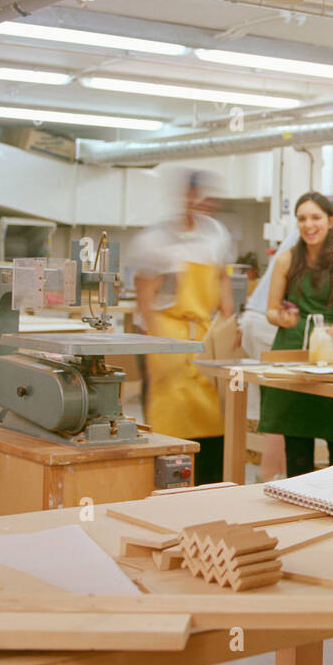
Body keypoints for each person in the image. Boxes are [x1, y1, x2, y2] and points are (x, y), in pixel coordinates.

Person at [130, 169, 234, 484]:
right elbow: (145, 297)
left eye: (204, 198)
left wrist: (228, 326)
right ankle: (165, 486)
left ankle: (209, 486)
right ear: (182, 197)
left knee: (211, 416)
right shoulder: (156, 240)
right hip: (167, 337)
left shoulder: (216, 235)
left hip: (204, 337)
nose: (198, 203)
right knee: (170, 418)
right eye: (192, 197)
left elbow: (222, 282)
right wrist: (157, 345)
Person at [257, 192, 333, 477]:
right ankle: (299, 505)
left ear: (330, 221)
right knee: (297, 444)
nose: (308, 224)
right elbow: (270, 310)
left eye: (315, 217)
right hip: (292, 351)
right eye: (302, 218)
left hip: (332, 352)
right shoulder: (286, 260)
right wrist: (282, 317)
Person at [239, 227, 298, 481]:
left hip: (258, 319)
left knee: (274, 405)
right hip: (266, 324)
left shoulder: (306, 237)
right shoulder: (319, 242)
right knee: (280, 406)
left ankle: (278, 475)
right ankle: (268, 475)